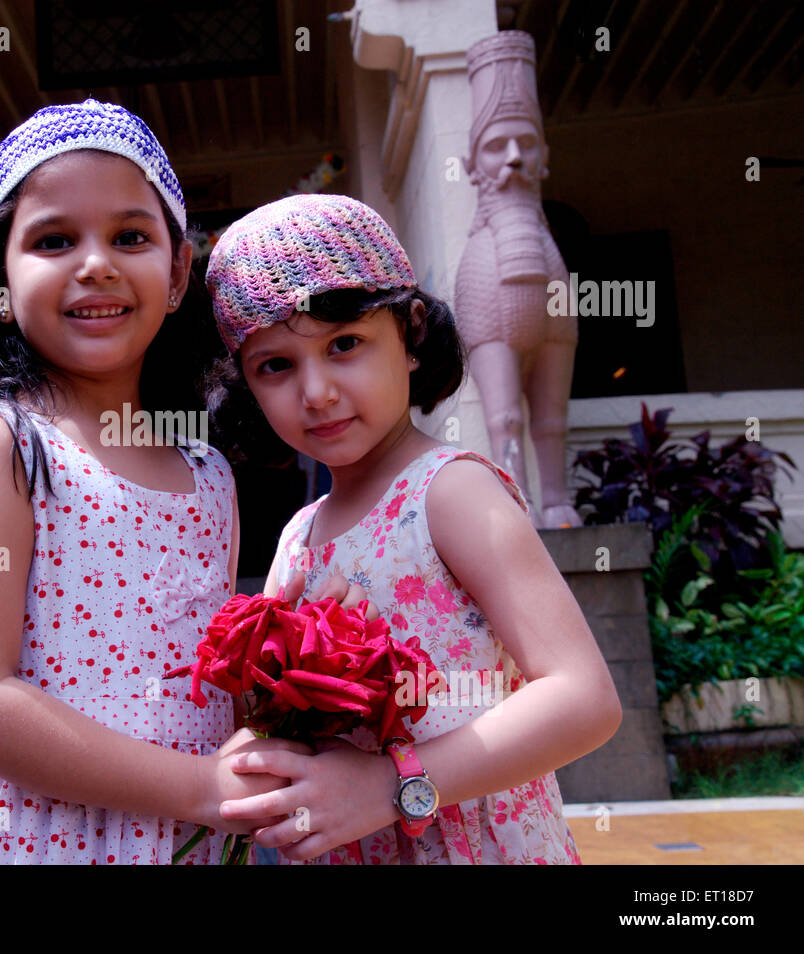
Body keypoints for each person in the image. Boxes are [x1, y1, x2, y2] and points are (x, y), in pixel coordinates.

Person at [0, 100, 358, 864]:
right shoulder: (0, 442)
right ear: (0, 284)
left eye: (130, 236)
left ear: (178, 272)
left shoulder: (206, 474)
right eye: (53, 239)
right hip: (36, 841)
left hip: (185, 842)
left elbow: (205, 683)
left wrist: (290, 700)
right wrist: (200, 789)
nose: (96, 262)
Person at [201, 193, 621, 864]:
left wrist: (391, 785)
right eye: (275, 365)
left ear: (412, 336)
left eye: (345, 345)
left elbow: (585, 699)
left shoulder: (449, 491)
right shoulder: (297, 539)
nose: (316, 392)